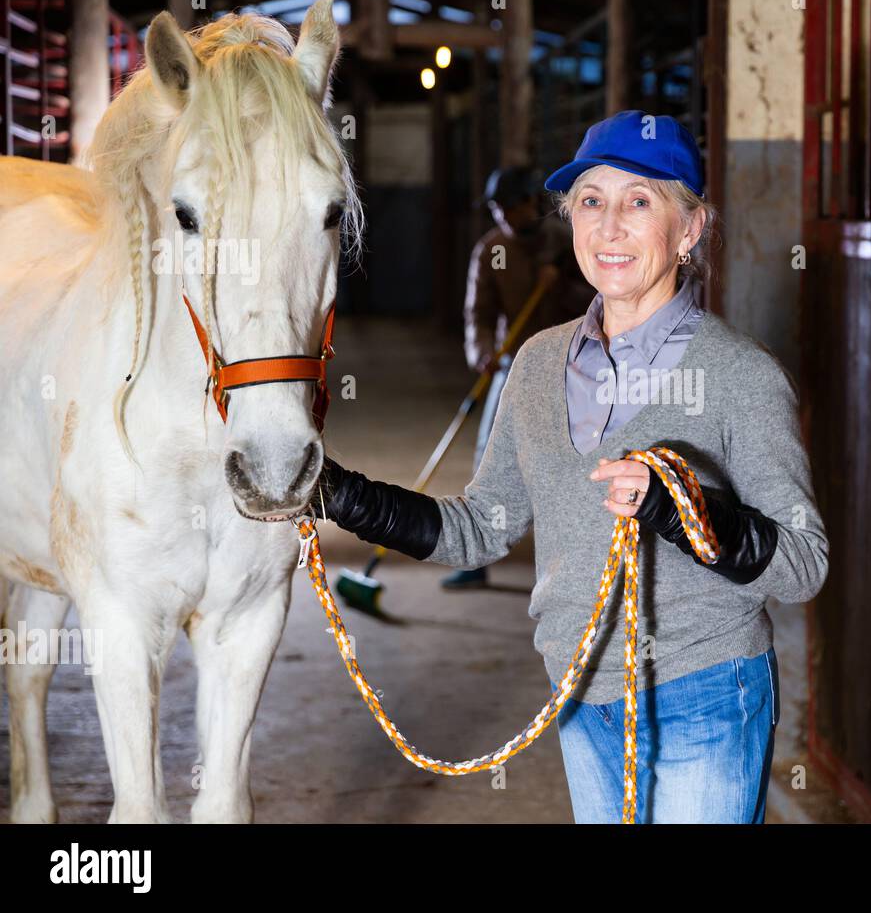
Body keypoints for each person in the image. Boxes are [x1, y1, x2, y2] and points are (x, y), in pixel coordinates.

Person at [304, 110, 829, 823]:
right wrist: (341, 494)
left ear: (690, 230)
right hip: (580, 690)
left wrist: (686, 511)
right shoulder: (537, 363)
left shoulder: (741, 375)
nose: (609, 226)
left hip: (703, 687)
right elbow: (482, 529)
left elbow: (802, 565)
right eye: (590, 201)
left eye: (639, 201)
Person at [444, 165, 593, 589]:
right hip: (511, 368)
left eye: (511, 207)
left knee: (575, 458)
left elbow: (600, 300)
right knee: (490, 456)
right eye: (497, 209)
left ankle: (580, 561)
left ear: (531, 203)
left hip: (571, 366)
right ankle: (476, 558)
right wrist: (483, 352)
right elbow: (478, 313)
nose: (505, 216)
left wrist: (561, 285)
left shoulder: (564, 245)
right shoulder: (490, 250)